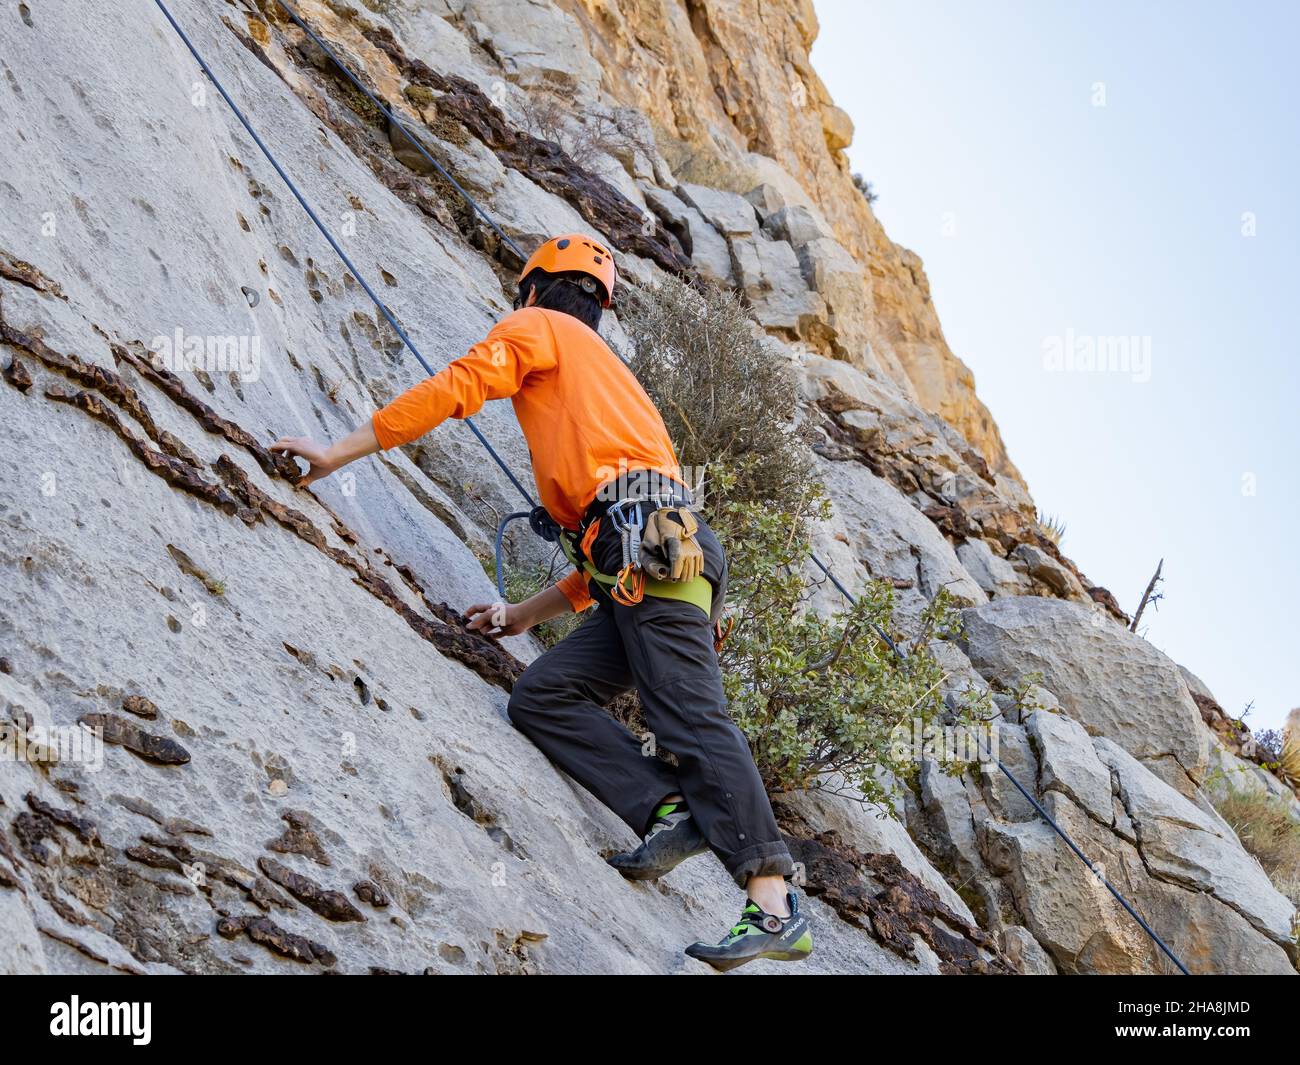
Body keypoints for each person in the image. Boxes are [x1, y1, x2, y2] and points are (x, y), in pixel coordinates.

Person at [271, 234, 812, 971]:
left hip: (653, 537)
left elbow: (457, 387)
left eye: (520, 295)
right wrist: (522, 618)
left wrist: (341, 450)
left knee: (688, 709)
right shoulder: (611, 378)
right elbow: (614, 537)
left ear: (535, 290)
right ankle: (669, 810)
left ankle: (775, 899)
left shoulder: (539, 329)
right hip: (652, 540)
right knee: (542, 694)